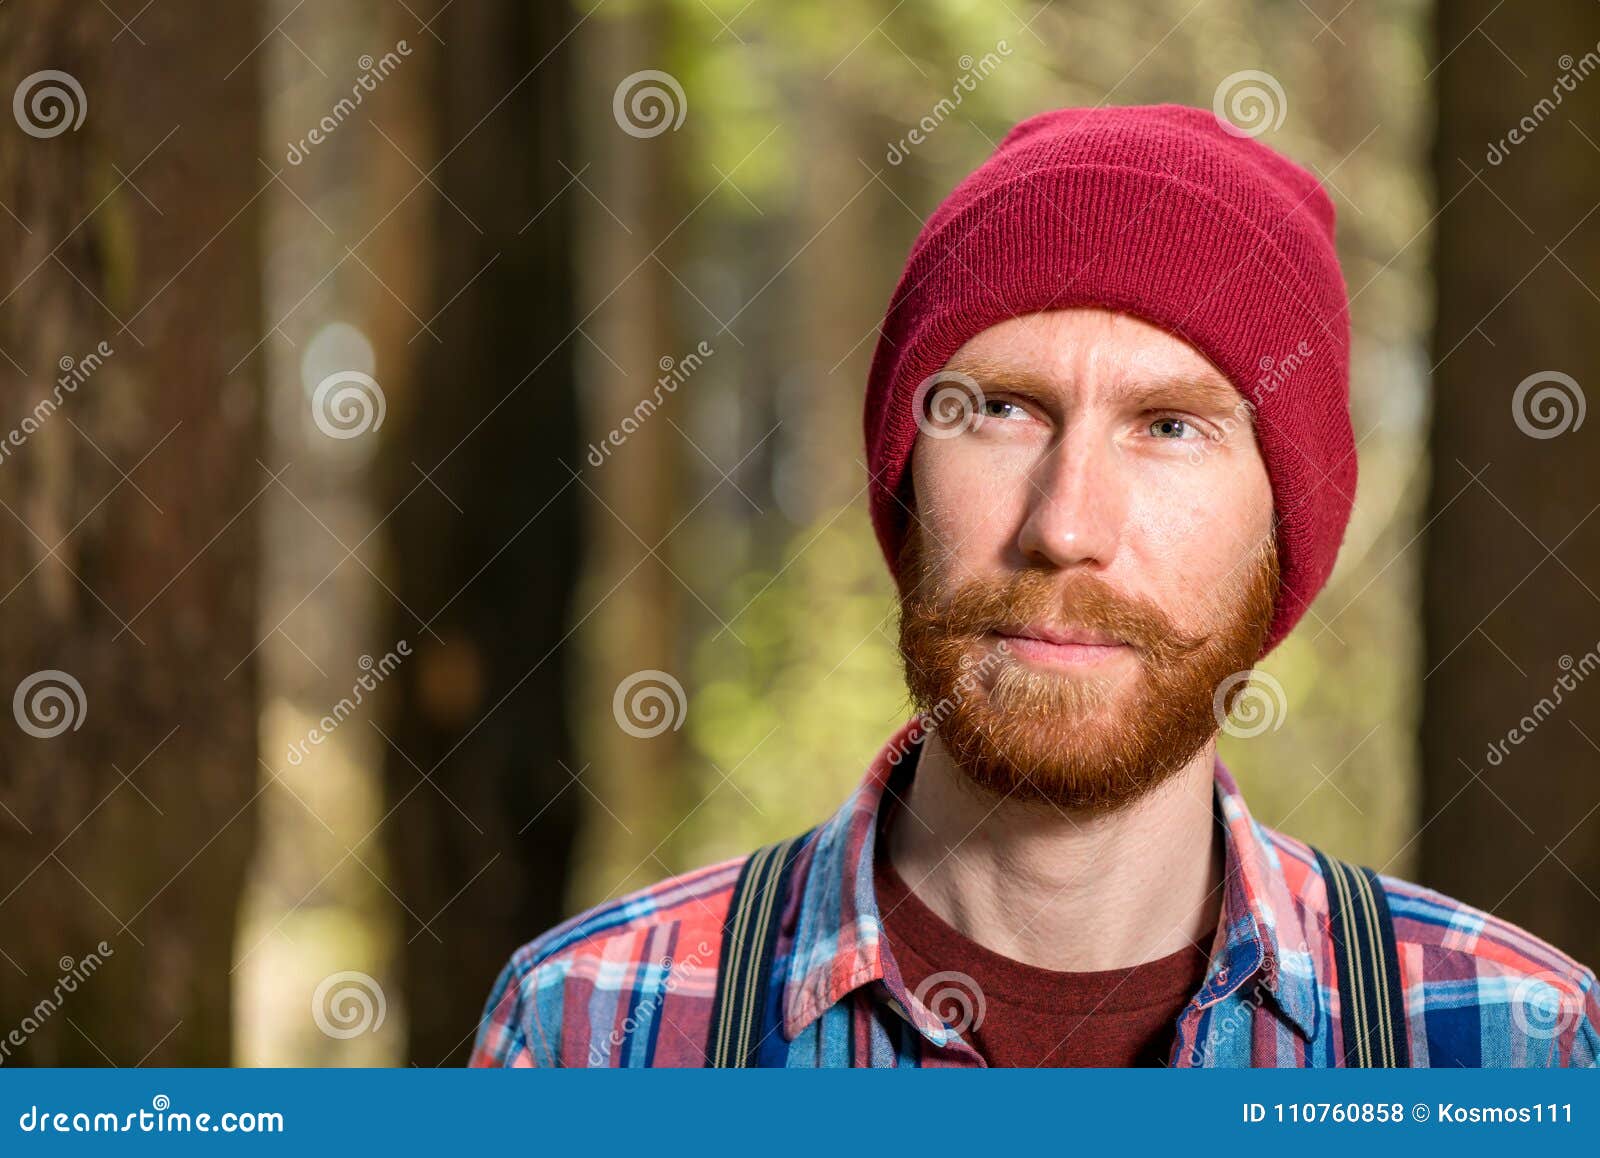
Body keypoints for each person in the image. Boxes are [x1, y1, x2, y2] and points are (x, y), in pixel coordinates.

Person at [470, 104, 1599, 1068]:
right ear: (904, 480)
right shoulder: (595, 1029)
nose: (1064, 526)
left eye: (1168, 426)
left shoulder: (1515, 1041)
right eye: (1001, 410)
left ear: (1283, 528)